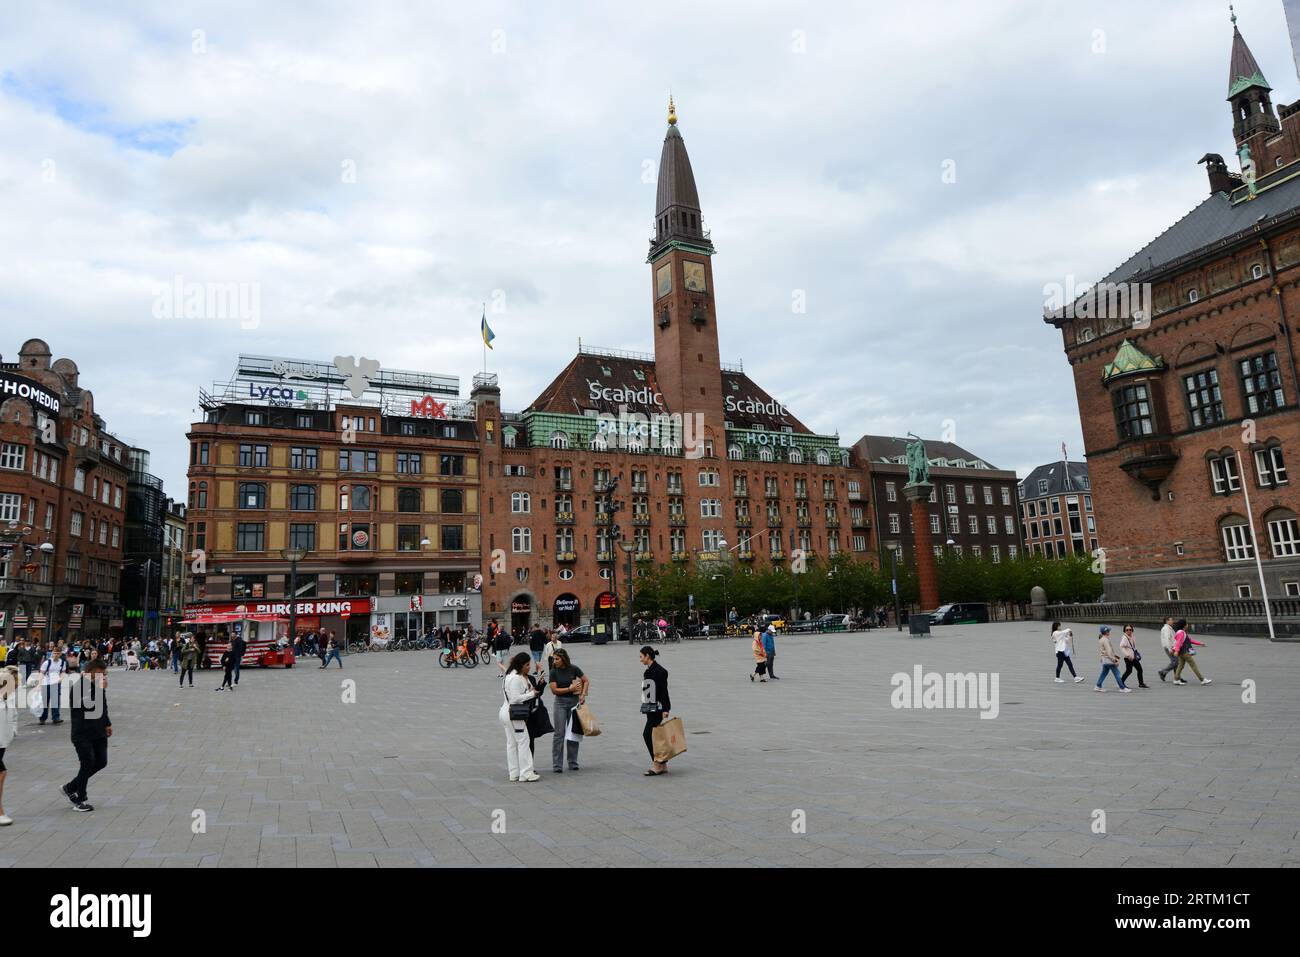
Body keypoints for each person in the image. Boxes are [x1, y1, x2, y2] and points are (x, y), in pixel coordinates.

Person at [60, 659, 111, 813]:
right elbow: (87, 706)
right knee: (87, 763)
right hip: (82, 733)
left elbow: (103, 705)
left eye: (105, 674)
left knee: (101, 762)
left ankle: (70, 787)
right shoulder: (78, 687)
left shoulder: (97, 686)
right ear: (91, 672)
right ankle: (80, 799)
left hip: (98, 731)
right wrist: (99, 689)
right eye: (101, 674)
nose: (103, 677)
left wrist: (107, 723)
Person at [500, 653, 541, 782]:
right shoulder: (516, 678)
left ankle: (514, 773)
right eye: (527, 665)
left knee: (511, 743)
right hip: (514, 712)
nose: (529, 667)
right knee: (524, 741)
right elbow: (515, 698)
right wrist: (531, 694)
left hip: (507, 711)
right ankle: (526, 773)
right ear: (521, 665)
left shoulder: (510, 675)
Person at [549, 648, 588, 773]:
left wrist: (583, 694)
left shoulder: (573, 668)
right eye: (554, 659)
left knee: (573, 732)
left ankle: (573, 762)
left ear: (563, 659)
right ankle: (557, 764)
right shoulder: (553, 672)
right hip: (560, 703)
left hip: (574, 703)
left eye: (557, 659)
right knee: (559, 734)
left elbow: (586, 680)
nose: (554, 661)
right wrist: (569, 689)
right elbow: (554, 690)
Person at [639, 646, 671, 775]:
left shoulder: (660, 671)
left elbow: (664, 692)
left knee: (647, 734)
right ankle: (662, 764)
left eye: (641, 657)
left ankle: (658, 764)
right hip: (649, 707)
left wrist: (666, 708)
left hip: (658, 708)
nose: (640, 660)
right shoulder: (648, 671)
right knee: (655, 735)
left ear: (647, 656)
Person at [0, 664, 19, 825]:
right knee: (1, 773)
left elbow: (13, 716)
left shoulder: (10, 697)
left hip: (3, 741)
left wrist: (12, 731)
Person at [1172, 620, 1210, 686]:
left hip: (1181, 652)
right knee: (1193, 665)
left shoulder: (1180, 632)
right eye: (1187, 624)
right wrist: (1176, 651)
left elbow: (1190, 640)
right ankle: (1202, 679)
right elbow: (1179, 642)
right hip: (1184, 652)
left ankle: (1176, 679)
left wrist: (1200, 643)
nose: (1188, 625)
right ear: (1184, 625)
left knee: (1180, 666)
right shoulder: (1181, 633)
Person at [1094, 625, 1130, 693]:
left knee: (1104, 673)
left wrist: (1102, 658)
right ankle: (1122, 688)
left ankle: (1098, 686)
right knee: (1117, 673)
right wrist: (1114, 660)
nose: (1109, 632)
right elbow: (1109, 652)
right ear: (1106, 632)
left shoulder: (1101, 639)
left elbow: (1102, 650)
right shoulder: (1106, 640)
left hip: (1104, 659)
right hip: (1108, 659)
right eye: (1108, 631)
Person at [39, 643, 67, 724]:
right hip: (46, 684)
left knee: (55, 701)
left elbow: (63, 672)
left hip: (56, 684)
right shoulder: (47, 662)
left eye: (58, 653)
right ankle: (42, 718)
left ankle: (56, 717)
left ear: (60, 654)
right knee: (45, 702)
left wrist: (61, 679)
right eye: (54, 653)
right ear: (52, 653)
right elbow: (41, 673)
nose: (56, 655)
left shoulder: (62, 662)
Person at [1118, 624, 1149, 689]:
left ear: (1132, 630)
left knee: (1139, 669)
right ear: (1124, 631)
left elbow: (1132, 646)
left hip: (1133, 657)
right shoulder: (1124, 638)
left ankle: (1141, 684)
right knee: (1129, 671)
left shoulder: (1132, 636)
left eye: (1130, 629)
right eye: (1127, 630)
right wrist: (1127, 655)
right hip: (1128, 658)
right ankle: (1121, 683)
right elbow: (1121, 647)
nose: (1129, 631)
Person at [1157, 616, 1179, 682]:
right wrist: (1170, 649)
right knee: (1175, 662)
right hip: (1169, 647)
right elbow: (1167, 639)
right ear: (1167, 621)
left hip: (1171, 647)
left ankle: (1176, 677)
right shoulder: (1166, 629)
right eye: (1171, 620)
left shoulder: (1169, 628)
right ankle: (1162, 672)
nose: (1173, 621)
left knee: (1175, 662)